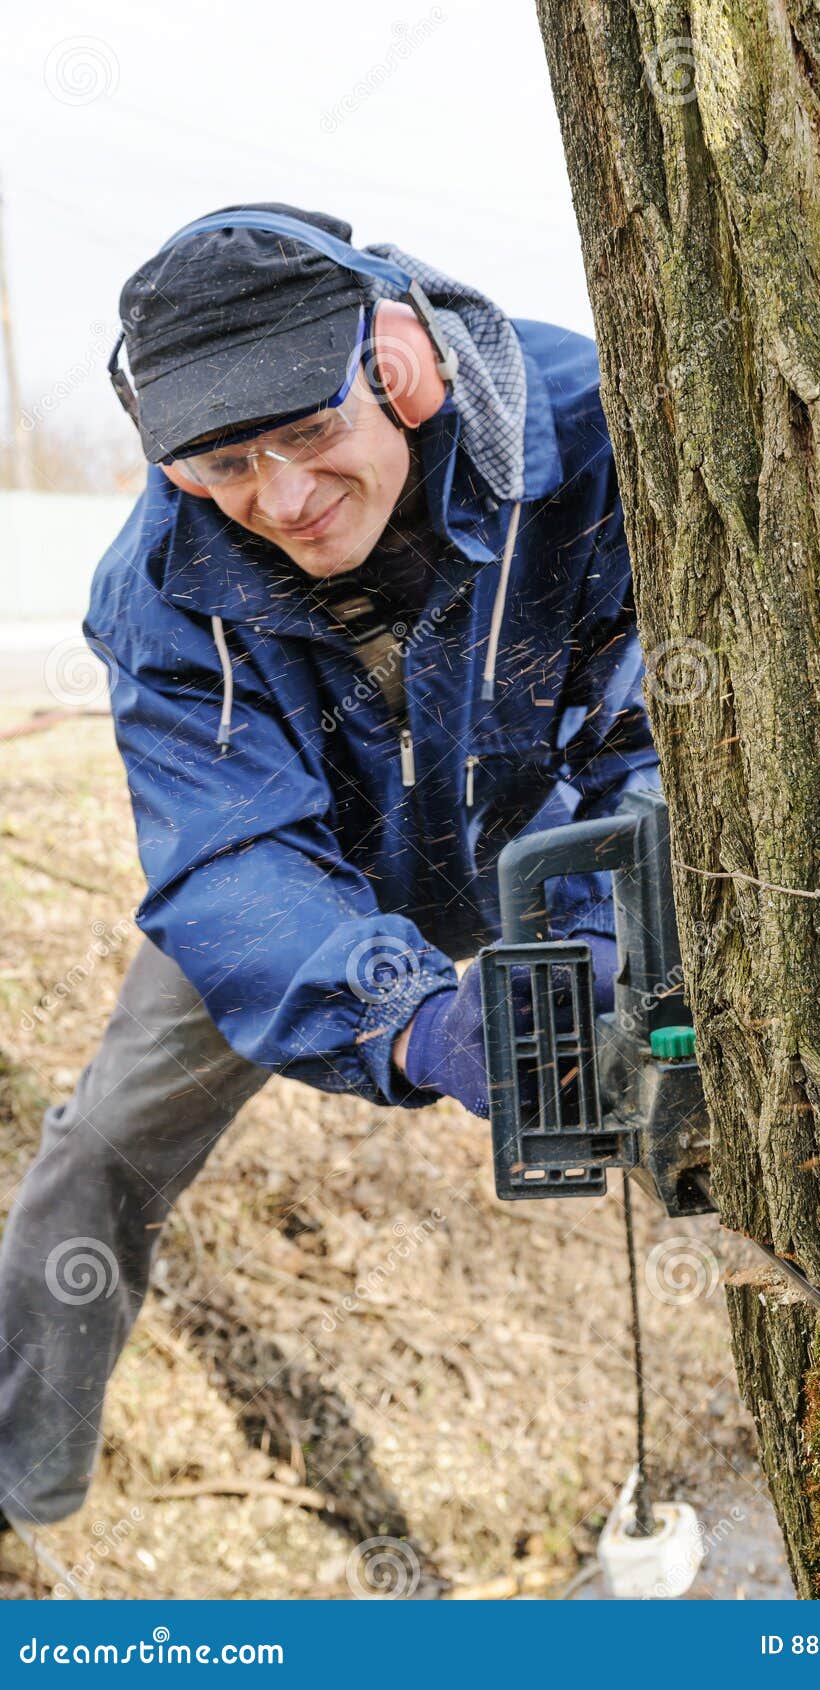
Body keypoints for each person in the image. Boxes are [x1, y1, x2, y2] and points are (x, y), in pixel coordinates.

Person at [0, 204, 658, 1529]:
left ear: (400, 363)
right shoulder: (161, 587)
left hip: (549, 828)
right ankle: (22, 1485)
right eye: (225, 462)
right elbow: (231, 864)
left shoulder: (589, 428)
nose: (282, 498)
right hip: (314, 868)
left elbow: (661, 729)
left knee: (681, 1045)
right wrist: (410, 1019)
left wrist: (597, 943)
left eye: (307, 434)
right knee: (104, 1146)